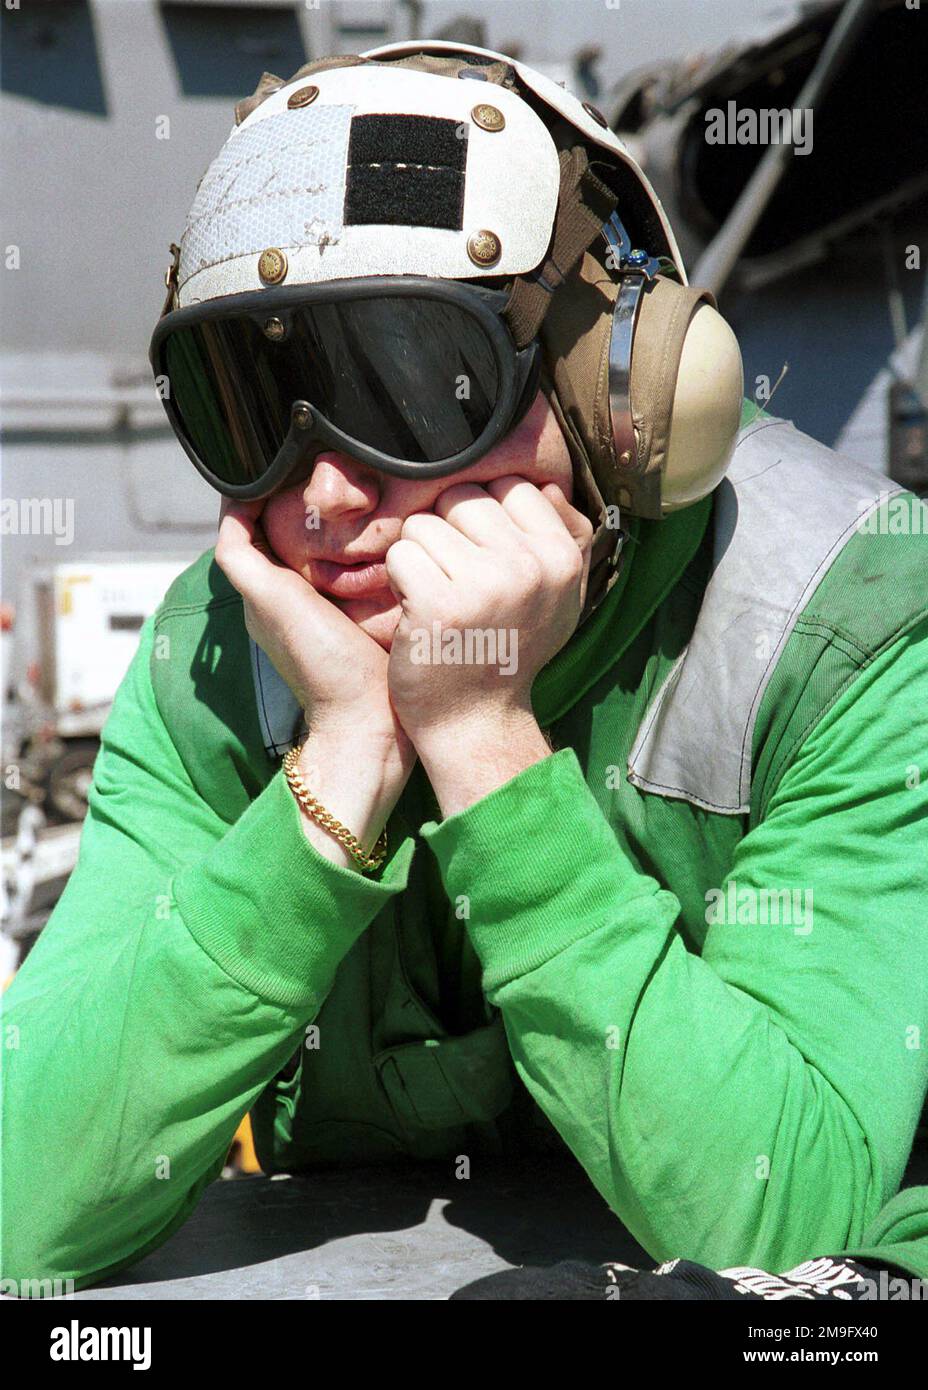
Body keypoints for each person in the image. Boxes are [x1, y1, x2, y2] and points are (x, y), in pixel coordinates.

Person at [2, 40, 927, 1302]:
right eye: (253, 404)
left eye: (408, 386)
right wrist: (342, 766)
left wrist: (485, 737)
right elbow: (16, 1204)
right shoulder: (219, 653)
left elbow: (791, 1220)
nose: (322, 494)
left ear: (613, 396)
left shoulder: (852, 622)